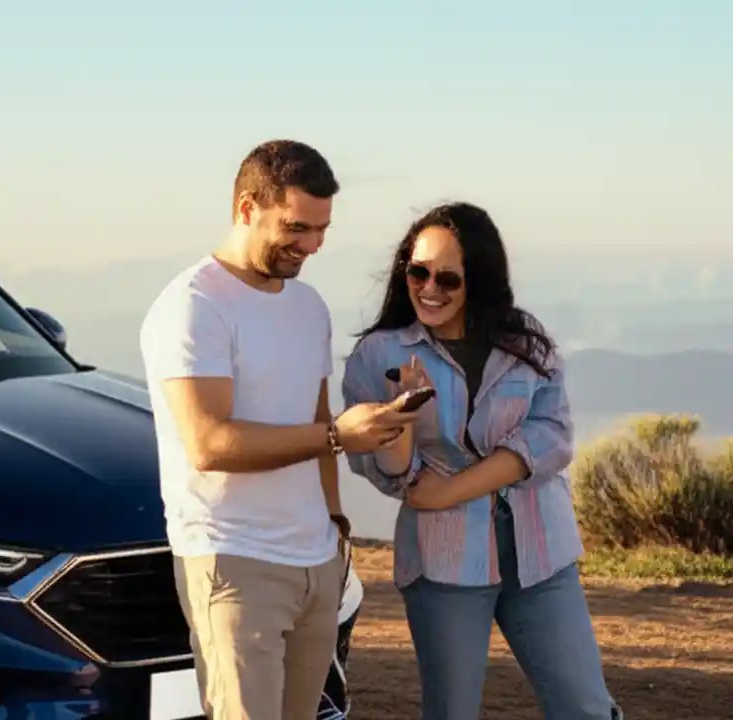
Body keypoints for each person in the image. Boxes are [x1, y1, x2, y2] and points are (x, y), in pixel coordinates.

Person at [140, 139, 418, 720]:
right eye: (297, 227)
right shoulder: (193, 306)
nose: (312, 245)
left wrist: (336, 527)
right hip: (234, 561)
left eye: (322, 230)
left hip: (315, 560)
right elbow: (210, 443)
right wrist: (341, 436)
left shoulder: (308, 306)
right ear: (246, 208)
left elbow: (315, 420)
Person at [341, 202, 622, 719]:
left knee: (585, 708)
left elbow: (552, 436)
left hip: (542, 552)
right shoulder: (378, 355)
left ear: (480, 280)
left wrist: (451, 490)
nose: (429, 288)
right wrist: (400, 422)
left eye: (448, 278)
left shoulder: (523, 339)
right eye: (418, 271)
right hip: (445, 562)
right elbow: (396, 477)